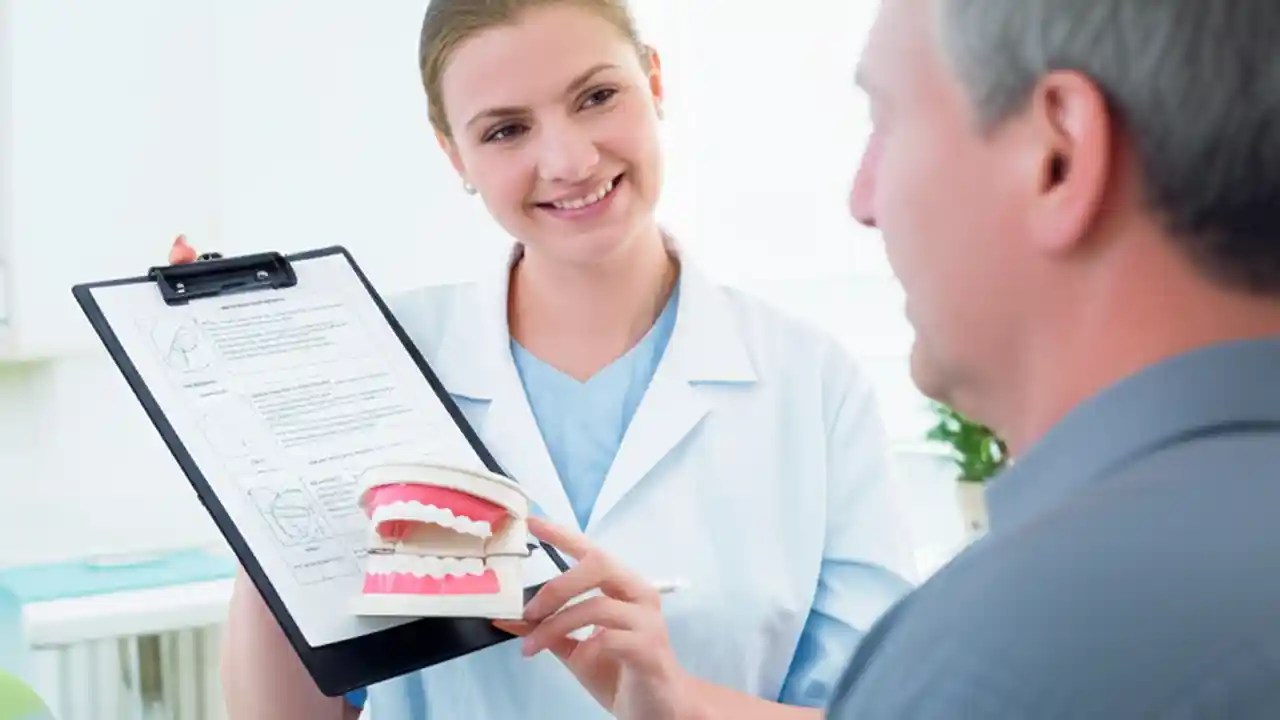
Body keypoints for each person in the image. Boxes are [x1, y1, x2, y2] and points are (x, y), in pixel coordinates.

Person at [505, 0, 1280, 717]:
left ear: (1059, 155)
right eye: (506, 129)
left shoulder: (1004, 647)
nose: (863, 198)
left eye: (889, 121)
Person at [173, 0, 918, 717]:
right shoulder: (372, 362)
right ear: (453, 152)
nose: (568, 159)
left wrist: (675, 704)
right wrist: (265, 464)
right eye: (505, 131)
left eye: (596, 96)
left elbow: (875, 711)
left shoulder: (811, 383)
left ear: (654, 82)